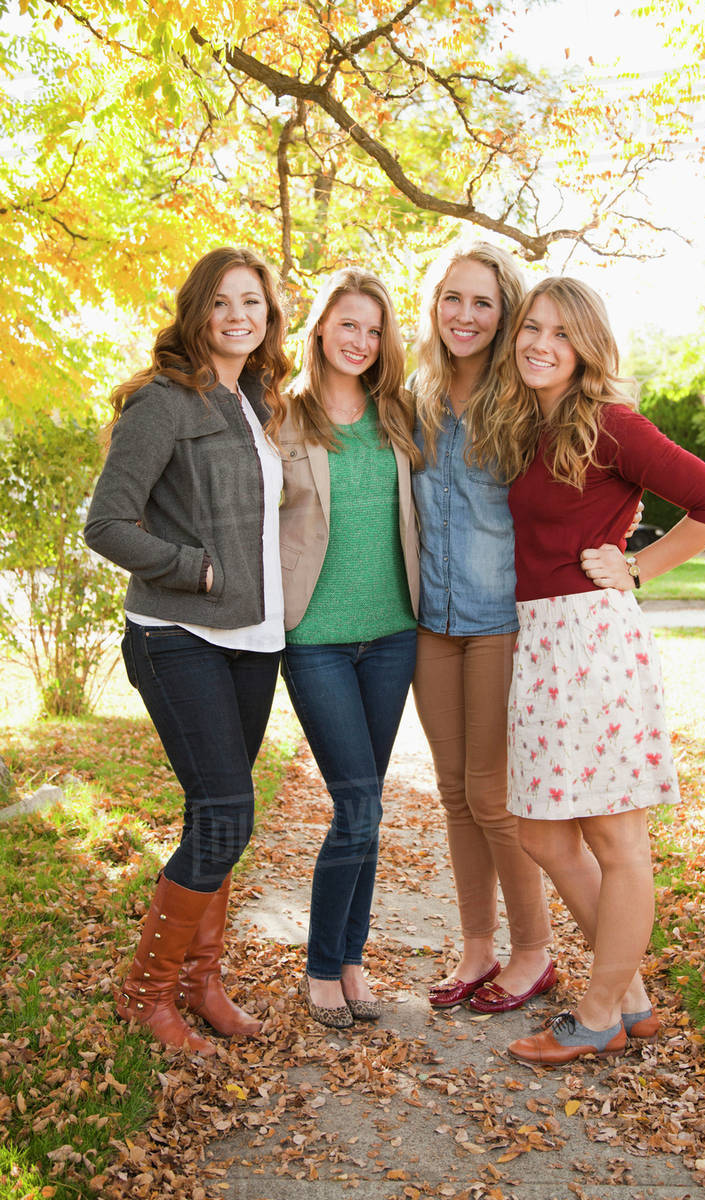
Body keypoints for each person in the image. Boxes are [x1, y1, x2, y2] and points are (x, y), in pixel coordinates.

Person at [484, 277, 705, 1066]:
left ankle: (600, 1012)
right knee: (540, 830)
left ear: (586, 348)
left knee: (616, 835)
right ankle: (626, 995)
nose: (539, 344)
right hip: (543, 642)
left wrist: (638, 566)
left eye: (560, 334)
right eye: (532, 328)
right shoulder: (532, 425)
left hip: (592, 642)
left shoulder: (610, 425)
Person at [85, 246, 290, 1056]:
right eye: (222, 303)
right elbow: (106, 524)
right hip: (181, 636)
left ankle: (201, 982)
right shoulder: (163, 401)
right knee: (229, 813)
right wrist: (193, 569)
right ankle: (148, 992)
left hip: (255, 641)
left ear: (270, 318)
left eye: (254, 303)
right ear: (196, 311)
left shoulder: (257, 403)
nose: (240, 316)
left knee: (215, 815)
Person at [410, 242, 557, 1015]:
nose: (466, 316)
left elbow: (586, 472)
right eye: (453, 300)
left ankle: (534, 950)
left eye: (483, 303)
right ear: (435, 307)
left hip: (499, 617)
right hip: (431, 622)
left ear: (503, 314)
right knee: (453, 792)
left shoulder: (525, 397)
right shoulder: (413, 395)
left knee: (493, 796)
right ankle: (477, 946)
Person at [278, 267, 420, 1029]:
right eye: (348, 324)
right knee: (357, 804)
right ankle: (322, 965)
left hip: (394, 636)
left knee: (366, 804)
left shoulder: (398, 417)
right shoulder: (283, 418)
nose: (360, 340)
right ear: (321, 328)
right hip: (316, 641)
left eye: (373, 328)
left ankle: (353, 957)